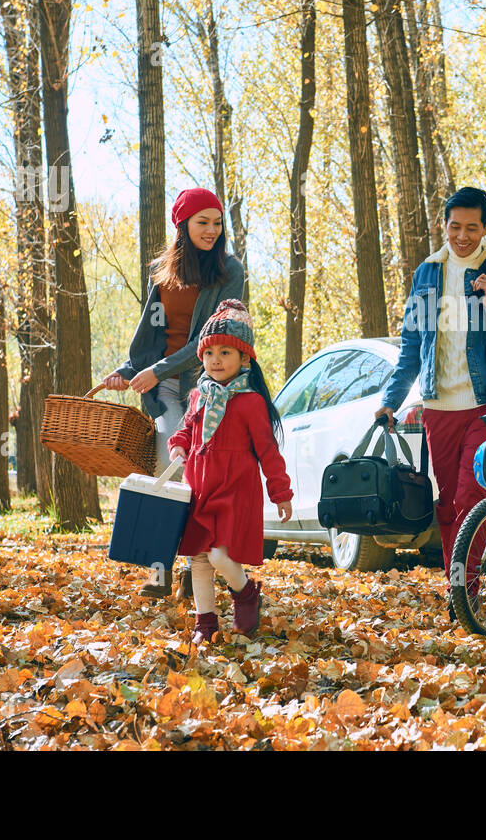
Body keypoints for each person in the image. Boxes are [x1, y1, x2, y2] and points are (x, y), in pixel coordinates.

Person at [374, 187, 486, 611]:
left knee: (473, 496)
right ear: (444, 226)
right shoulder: (427, 274)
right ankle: (459, 583)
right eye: (456, 227)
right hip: (438, 406)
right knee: (448, 503)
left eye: (473, 227)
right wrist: (391, 400)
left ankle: (464, 593)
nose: (464, 236)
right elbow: (412, 345)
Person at [102, 187, 246, 598]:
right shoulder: (163, 272)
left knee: (202, 473)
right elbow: (152, 332)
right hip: (165, 384)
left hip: (209, 383)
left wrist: (155, 369)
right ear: (182, 225)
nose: (212, 231)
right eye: (203, 222)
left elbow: (213, 336)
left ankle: (194, 563)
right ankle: (160, 568)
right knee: (171, 458)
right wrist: (129, 370)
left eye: (218, 223)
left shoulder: (230, 271)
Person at [167, 300, 294, 644]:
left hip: (234, 489)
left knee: (220, 555)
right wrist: (178, 445)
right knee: (199, 559)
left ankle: (246, 592)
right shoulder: (199, 397)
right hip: (199, 488)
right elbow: (185, 431)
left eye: (225, 352)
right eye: (209, 353)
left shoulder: (250, 401)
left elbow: (268, 450)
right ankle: (205, 624)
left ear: (244, 359)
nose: (216, 360)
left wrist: (280, 491)